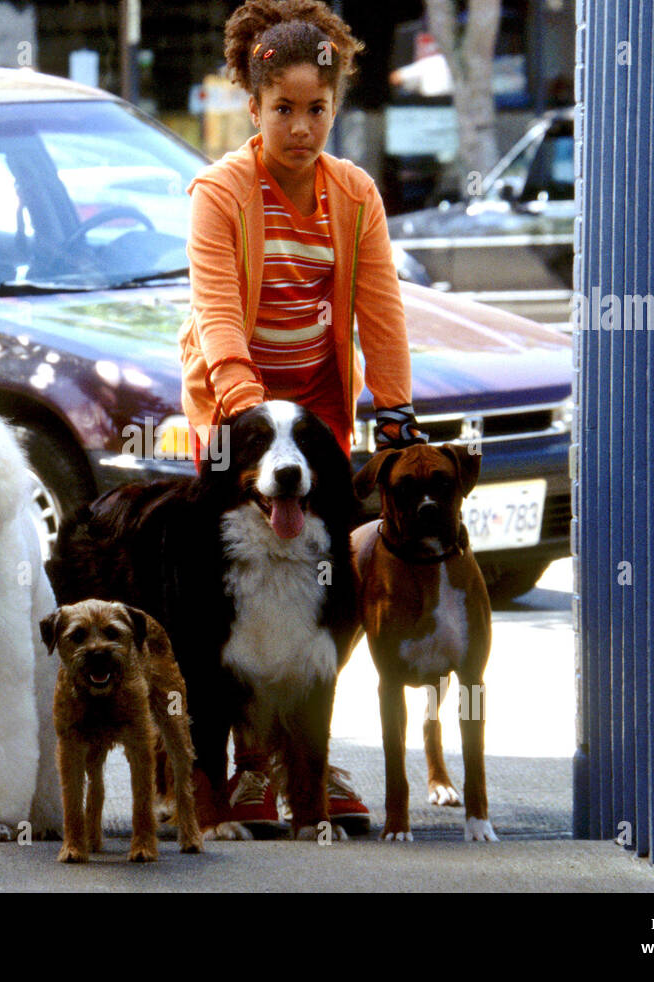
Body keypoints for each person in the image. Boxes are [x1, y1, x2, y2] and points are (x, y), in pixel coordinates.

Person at [179, 0, 427, 835]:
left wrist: (394, 414)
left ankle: (304, 749)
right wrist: (249, 418)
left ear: (335, 107)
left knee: (335, 590)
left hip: (316, 426)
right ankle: (247, 765)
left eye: (316, 108)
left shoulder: (354, 194)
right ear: (252, 108)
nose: (300, 125)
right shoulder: (220, 192)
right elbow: (217, 311)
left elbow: (381, 313)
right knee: (240, 593)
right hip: (239, 418)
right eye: (282, 108)